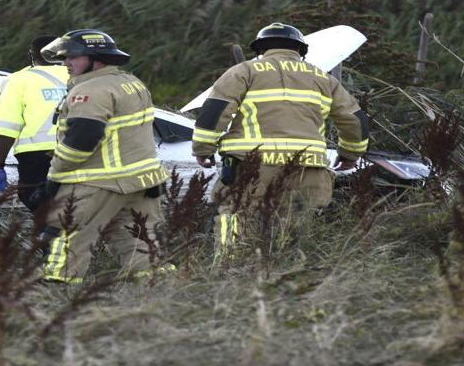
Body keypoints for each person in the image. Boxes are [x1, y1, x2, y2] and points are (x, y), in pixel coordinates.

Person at [192, 22, 370, 253]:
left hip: (253, 165)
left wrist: (203, 149)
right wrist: (350, 154)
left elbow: (215, 111)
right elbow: (356, 119)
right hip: (308, 169)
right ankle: (286, 276)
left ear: (260, 50)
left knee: (236, 216)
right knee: (294, 230)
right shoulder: (324, 79)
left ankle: (229, 270)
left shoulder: (244, 71)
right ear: (301, 51)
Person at [36, 29, 172, 284]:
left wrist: (54, 176)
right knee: (141, 243)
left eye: (72, 57)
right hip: (140, 181)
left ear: (96, 59)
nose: (66, 63)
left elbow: (80, 143)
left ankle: (56, 290)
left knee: (67, 237)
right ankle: (160, 293)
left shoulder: (89, 91)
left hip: (98, 181)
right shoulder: (131, 83)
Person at [0, 35, 70, 211]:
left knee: (42, 207)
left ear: (32, 55)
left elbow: (6, 125)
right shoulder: (83, 77)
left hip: (37, 157)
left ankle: (54, 237)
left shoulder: (18, 80)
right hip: (80, 150)